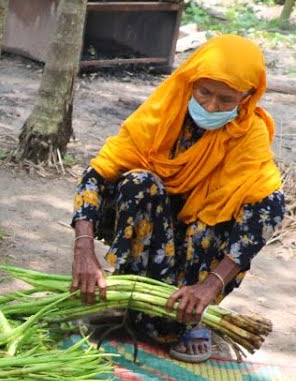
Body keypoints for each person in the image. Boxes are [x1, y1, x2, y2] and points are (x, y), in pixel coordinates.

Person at [71, 34, 284, 364]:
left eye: (226, 99)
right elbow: (97, 174)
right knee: (138, 183)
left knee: (218, 218)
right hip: (155, 239)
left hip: (202, 252)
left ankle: (193, 317)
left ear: (247, 97)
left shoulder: (249, 136)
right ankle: (136, 300)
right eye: (204, 92)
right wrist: (83, 250)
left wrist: (211, 285)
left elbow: (268, 208)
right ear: (191, 80)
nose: (211, 106)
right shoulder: (163, 113)